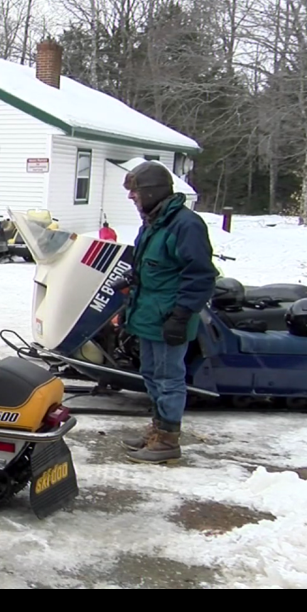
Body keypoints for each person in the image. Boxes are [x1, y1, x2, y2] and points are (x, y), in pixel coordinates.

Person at [117, 161, 215, 464]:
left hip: (170, 317)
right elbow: (152, 268)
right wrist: (131, 285)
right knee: (150, 373)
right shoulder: (154, 222)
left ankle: (169, 439)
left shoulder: (186, 225)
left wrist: (182, 315)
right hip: (148, 313)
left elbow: (200, 275)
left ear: (152, 191)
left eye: (135, 193)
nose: (132, 199)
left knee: (169, 377)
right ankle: (159, 429)